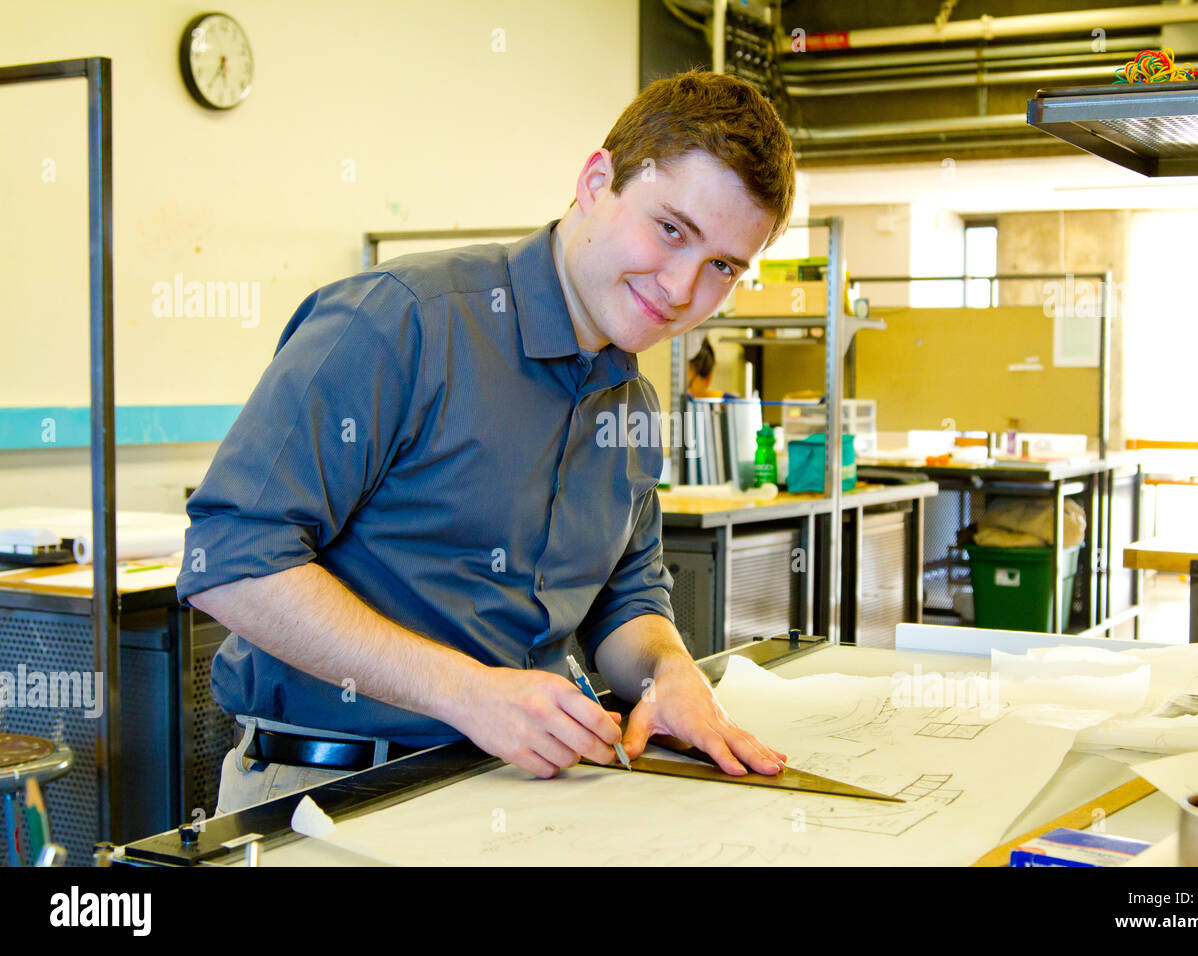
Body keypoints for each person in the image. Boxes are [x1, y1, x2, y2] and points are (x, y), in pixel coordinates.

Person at [179, 69, 797, 813]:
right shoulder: (402, 321)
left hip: (517, 792)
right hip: (327, 793)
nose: (680, 289)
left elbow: (624, 600)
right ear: (597, 181)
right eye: (671, 230)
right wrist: (466, 694)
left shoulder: (632, 402)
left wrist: (670, 673)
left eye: (722, 268)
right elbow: (230, 562)